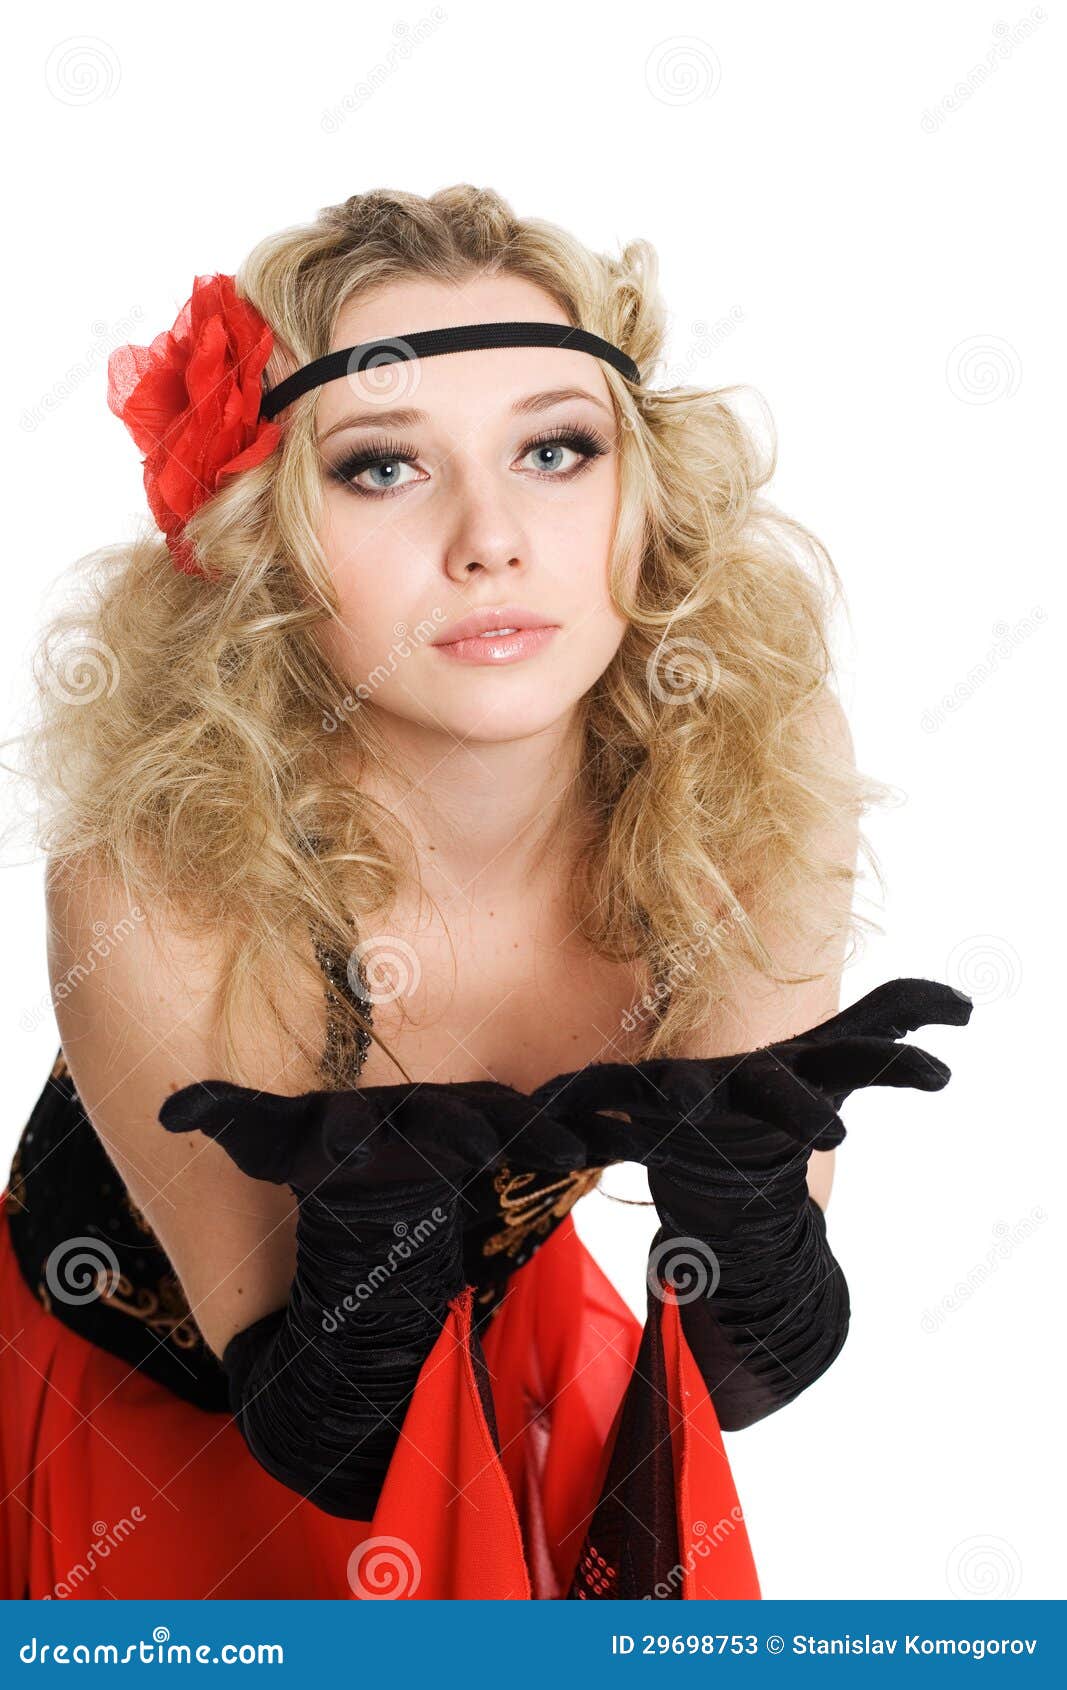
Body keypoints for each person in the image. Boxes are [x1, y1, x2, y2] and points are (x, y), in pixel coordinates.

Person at [0, 185, 972, 1601]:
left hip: (507, 1351)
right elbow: (320, 1435)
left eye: (555, 449)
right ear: (264, 537)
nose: (492, 538)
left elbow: (739, 1367)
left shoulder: (749, 764)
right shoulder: (151, 865)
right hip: (165, 1424)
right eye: (384, 467)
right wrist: (380, 1219)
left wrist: (751, 1202)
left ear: (643, 493)